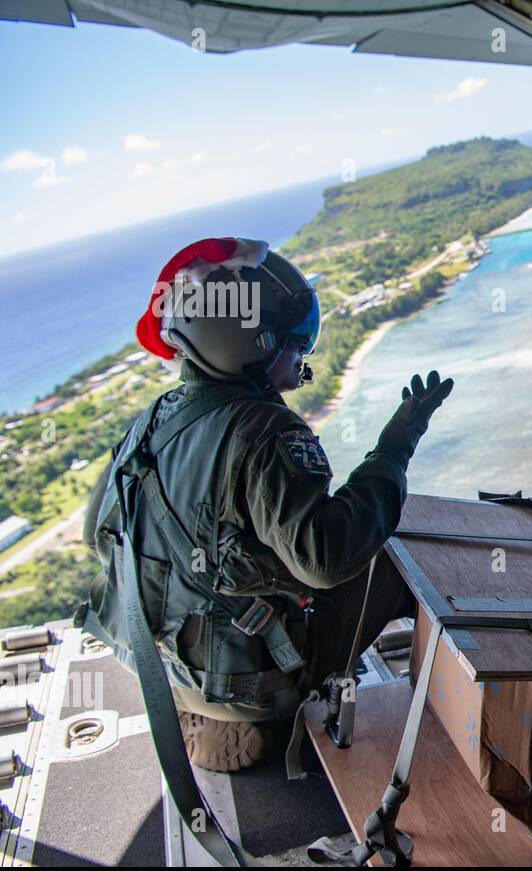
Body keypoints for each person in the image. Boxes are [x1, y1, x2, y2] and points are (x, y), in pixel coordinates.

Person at [80, 237, 453, 773]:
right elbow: (327, 558)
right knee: (396, 554)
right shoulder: (262, 429)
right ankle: (431, 720)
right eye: (295, 346)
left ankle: (212, 698)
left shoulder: (152, 420)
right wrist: (396, 446)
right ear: (251, 341)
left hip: (158, 664)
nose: (301, 361)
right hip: (247, 680)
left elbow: (98, 532)